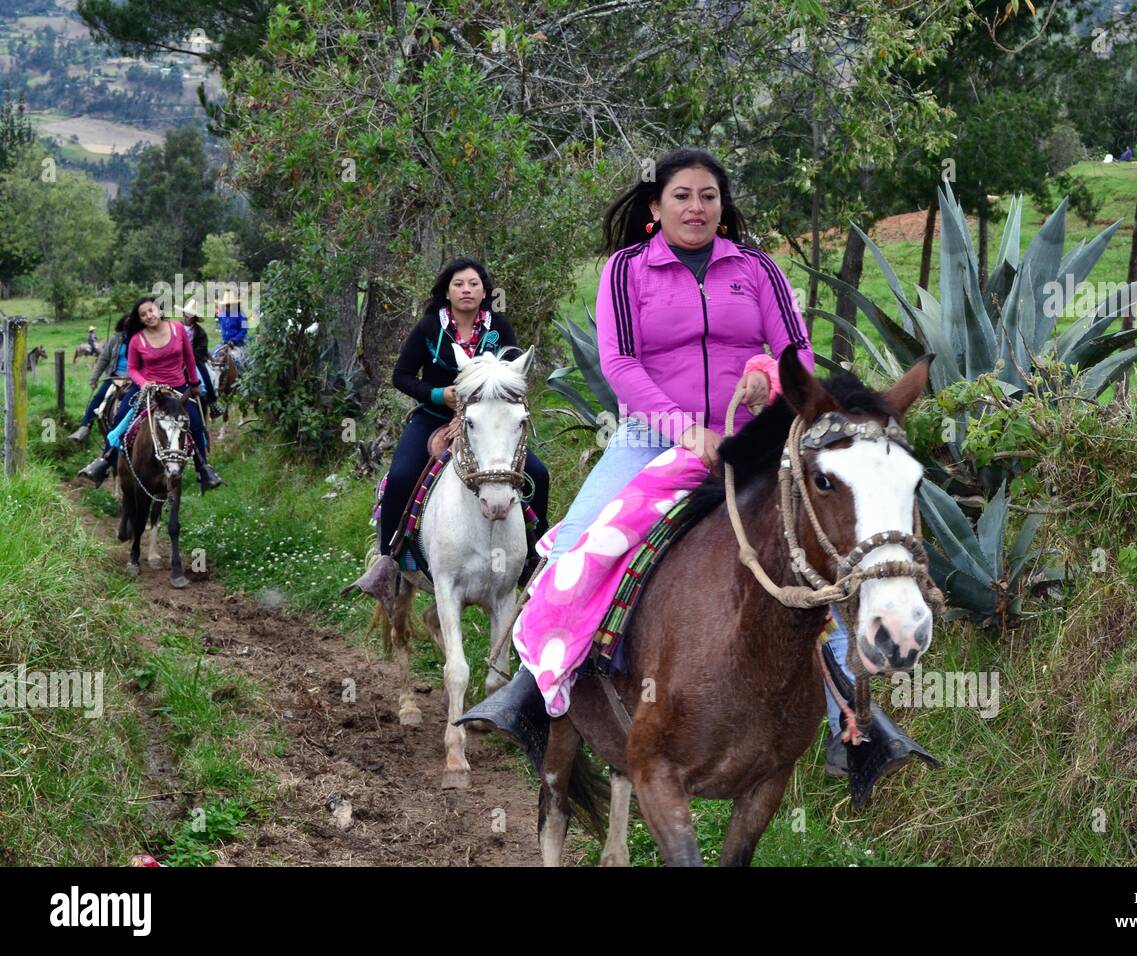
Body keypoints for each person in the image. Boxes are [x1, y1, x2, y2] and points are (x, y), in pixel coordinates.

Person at [467, 148, 929, 781]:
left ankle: (854, 723)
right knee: (574, 543)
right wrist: (684, 430)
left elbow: (795, 348)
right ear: (655, 208)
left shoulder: (756, 269)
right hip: (649, 438)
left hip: (752, 441)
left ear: (722, 206)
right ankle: (531, 692)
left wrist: (771, 377)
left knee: (824, 550)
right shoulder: (626, 271)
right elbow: (621, 365)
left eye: (708, 196)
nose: (696, 207)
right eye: (682, 196)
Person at [347, 257, 551, 603]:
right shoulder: (429, 328)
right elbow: (402, 376)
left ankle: (534, 556)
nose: (466, 290)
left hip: (484, 423)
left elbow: (511, 378)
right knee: (400, 477)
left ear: (485, 290)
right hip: (432, 416)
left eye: (473, 283)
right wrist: (439, 395)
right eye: (459, 284)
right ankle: (387, 562)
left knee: (537, 474)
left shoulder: (499, 328)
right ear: (447, 291)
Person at [76, 296, 223, 492]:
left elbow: (188, 357)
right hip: (147, 388)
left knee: (195, 423)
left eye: (151, 311)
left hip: (177, 387)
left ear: (159, 310)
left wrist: (194, 384)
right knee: (121, 419)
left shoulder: (178, 329)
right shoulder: (137, 340)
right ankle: (104, 462)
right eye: (143, 314)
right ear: (140, 319)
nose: (148, 316)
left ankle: (203, 468)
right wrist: (144, 383)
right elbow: (133, 368)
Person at [70, 315, 131, 445]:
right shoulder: (116, 339)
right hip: (115, 377)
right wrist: (94, 378)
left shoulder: (142, 338)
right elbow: (103, 359)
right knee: (98, 398)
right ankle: (85, 426)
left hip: (136, 379)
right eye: (127, 325)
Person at [180, 298, 224, 419]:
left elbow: (202, 349)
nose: (187, 317)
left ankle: (213, 402)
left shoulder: (200, 332)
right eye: (185, 314)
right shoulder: (176, 328)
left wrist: (188, 355)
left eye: (190, 315)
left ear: (194, 317)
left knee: (205, 375)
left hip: (194, 360)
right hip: (176, 358)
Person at [213, 290, 248, 367]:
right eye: (226, 305)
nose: (227, 307)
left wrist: (234, 340)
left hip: (238, 343)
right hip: (224, 343)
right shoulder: (222, 315)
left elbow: (244, 330)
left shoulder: (242, 315)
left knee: (241, 362)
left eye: (229, 305)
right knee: (213, 356)